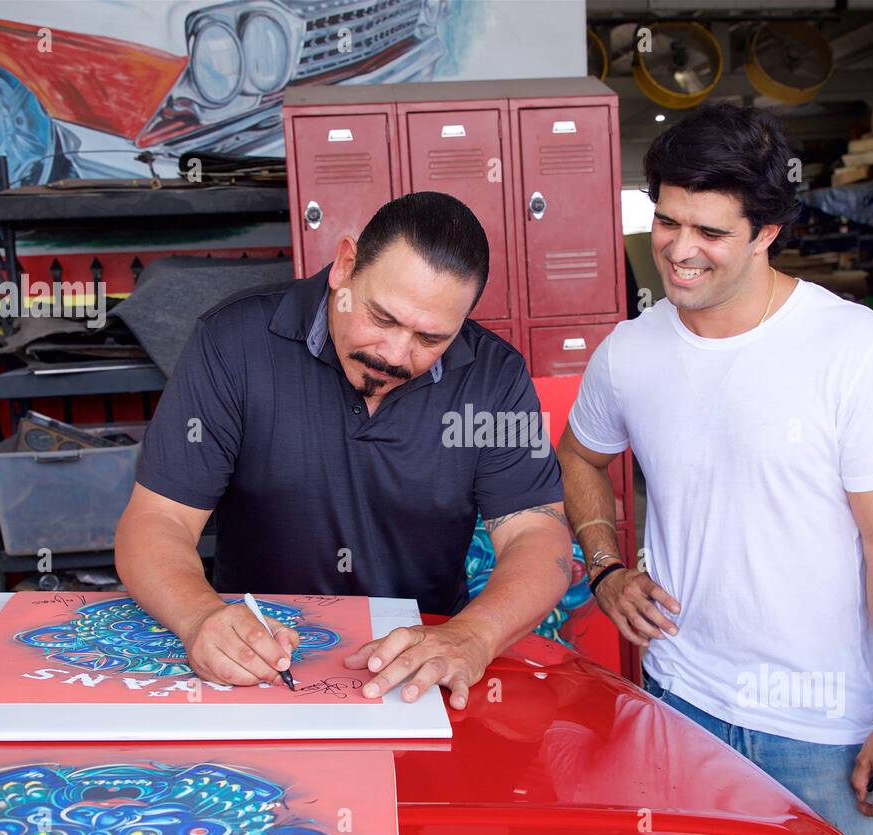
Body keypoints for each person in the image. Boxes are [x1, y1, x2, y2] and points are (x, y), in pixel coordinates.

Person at [556, 104, 873, 835]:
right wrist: (604, 569)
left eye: (710, 233)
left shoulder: (853, 348)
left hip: (822, 729)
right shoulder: (631, 351)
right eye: (667, 221)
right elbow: (579, 458)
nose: (678, 251)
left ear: (767, 233)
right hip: (680, 705)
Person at [115, 191, 572, 709]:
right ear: (345, 264)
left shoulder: (494, 377)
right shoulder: (234, 344)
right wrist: (199, 616)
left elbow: (539, 534)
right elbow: (158, 520)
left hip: (422, 668)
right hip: (258, 660)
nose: (396, 356)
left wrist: (476, 635)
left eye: (430, 338)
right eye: (381, 319)